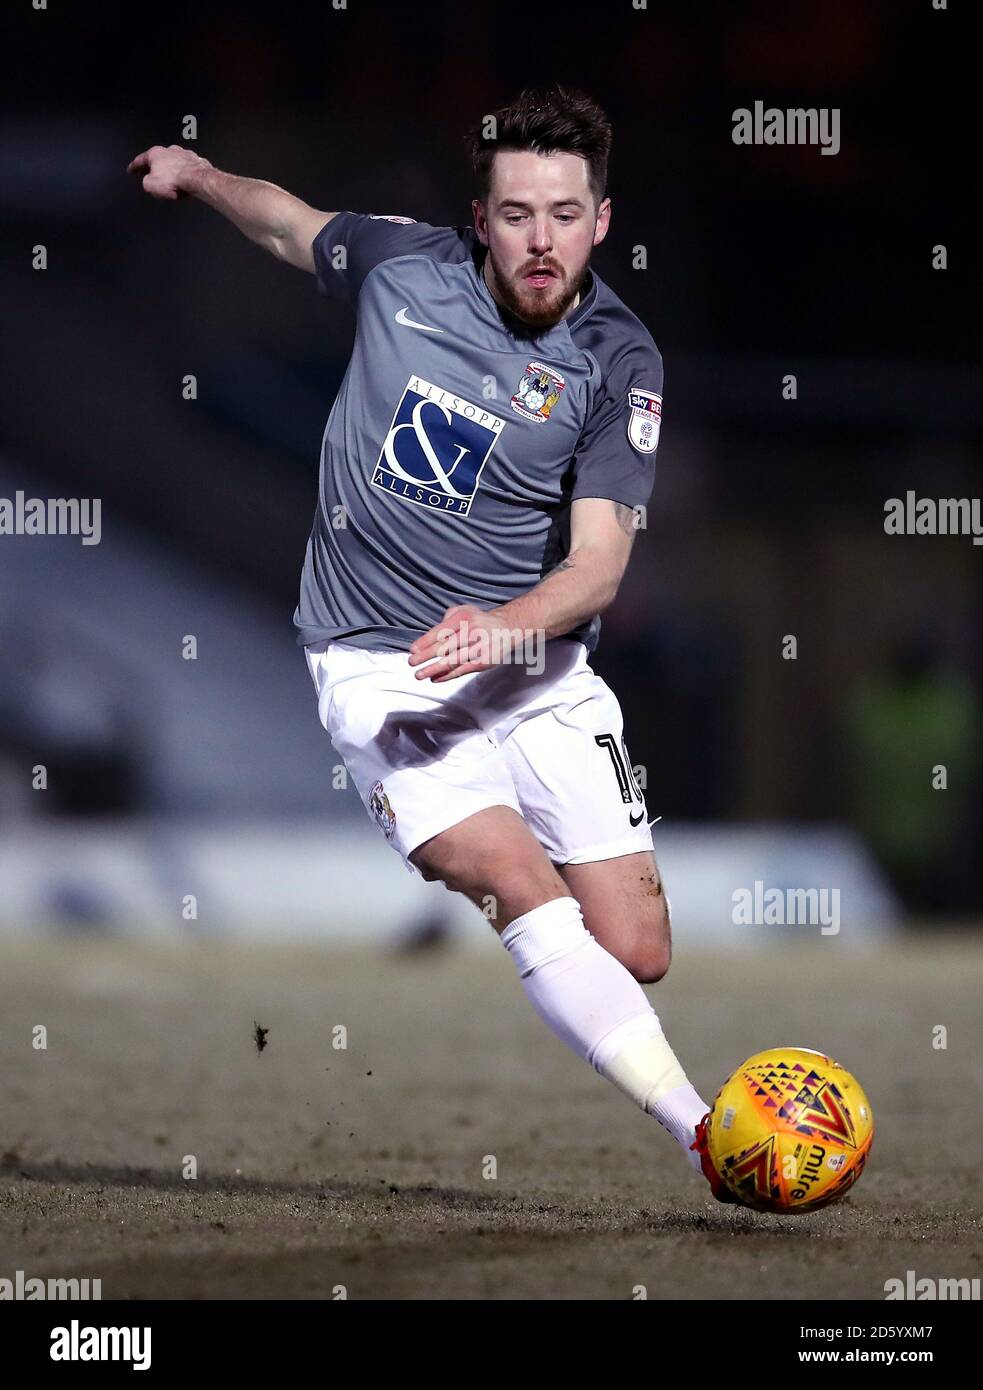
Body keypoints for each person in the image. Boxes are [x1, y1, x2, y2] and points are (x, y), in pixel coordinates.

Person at [128, 84, 729, 1200]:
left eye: (563, 213)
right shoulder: (400, 268)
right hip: (378, 663)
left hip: (536, 669)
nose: (539, 239)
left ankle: (597, 975)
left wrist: (498, 629)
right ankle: (709, 1135)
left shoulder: (618, 358)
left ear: (601, 219)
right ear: (478, 217)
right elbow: (281, 219)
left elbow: (598, 565)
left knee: (636, 948)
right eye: (515, 214)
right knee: (514, 882)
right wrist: (200, 176)